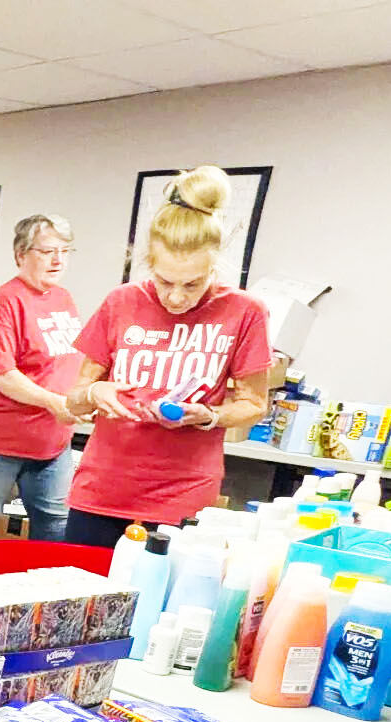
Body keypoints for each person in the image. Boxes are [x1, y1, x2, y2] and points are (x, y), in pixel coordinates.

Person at [61, 166, 273, 547]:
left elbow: (254, 404)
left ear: (215, 266)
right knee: (82, 600)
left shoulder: (244, 312)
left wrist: (210, 417)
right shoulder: (120, 302)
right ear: (148, 264)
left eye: (192, 284)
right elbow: (73, 401)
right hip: (102, 491)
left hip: (182, 497)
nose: (176, 297)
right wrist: (94, 394)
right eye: (164, 282)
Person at [0, 214, 84, 547]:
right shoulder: (4, 302)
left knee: (55, 519)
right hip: (1, 439)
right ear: (21, 254)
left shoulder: (62, 298)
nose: (58, 260)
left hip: (53, 437)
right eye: (48, 251)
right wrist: (54, 402)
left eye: (65, 251)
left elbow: (71, 359)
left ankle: (44, 593)